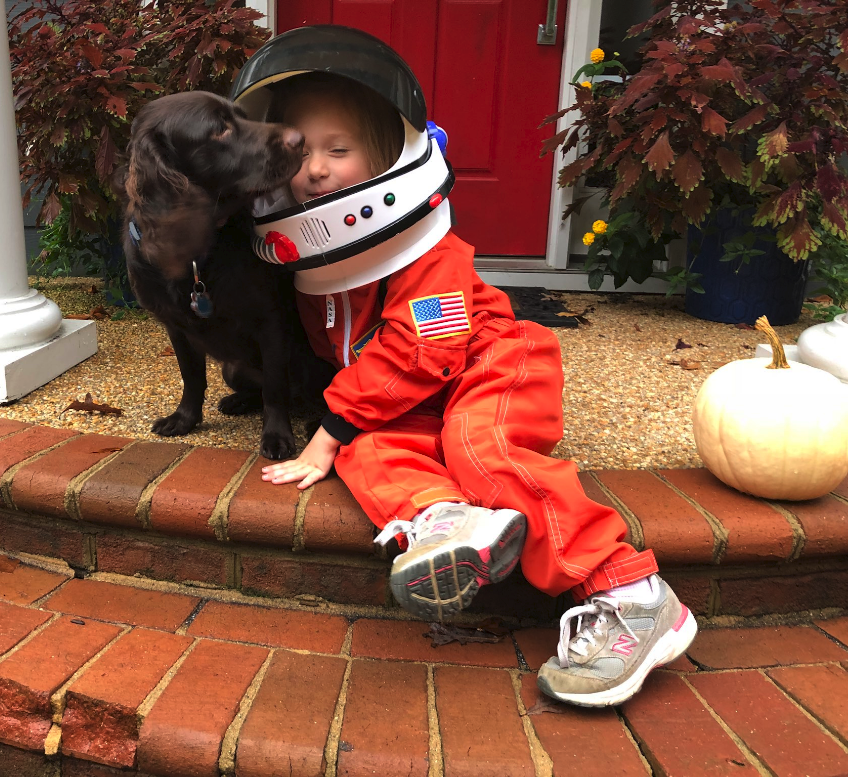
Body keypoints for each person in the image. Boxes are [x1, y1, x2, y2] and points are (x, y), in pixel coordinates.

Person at [230, 25, 696, 708]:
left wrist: (328, 428)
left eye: (340, 149)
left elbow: (424, 350)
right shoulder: (314, 258)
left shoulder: (430, 255)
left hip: (489, 364)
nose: (317, 170)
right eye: (300, 152)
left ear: (392, 156)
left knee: (482, 450)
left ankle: (628, 589)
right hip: (406, 397)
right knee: (369, 452)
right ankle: (446, 523)